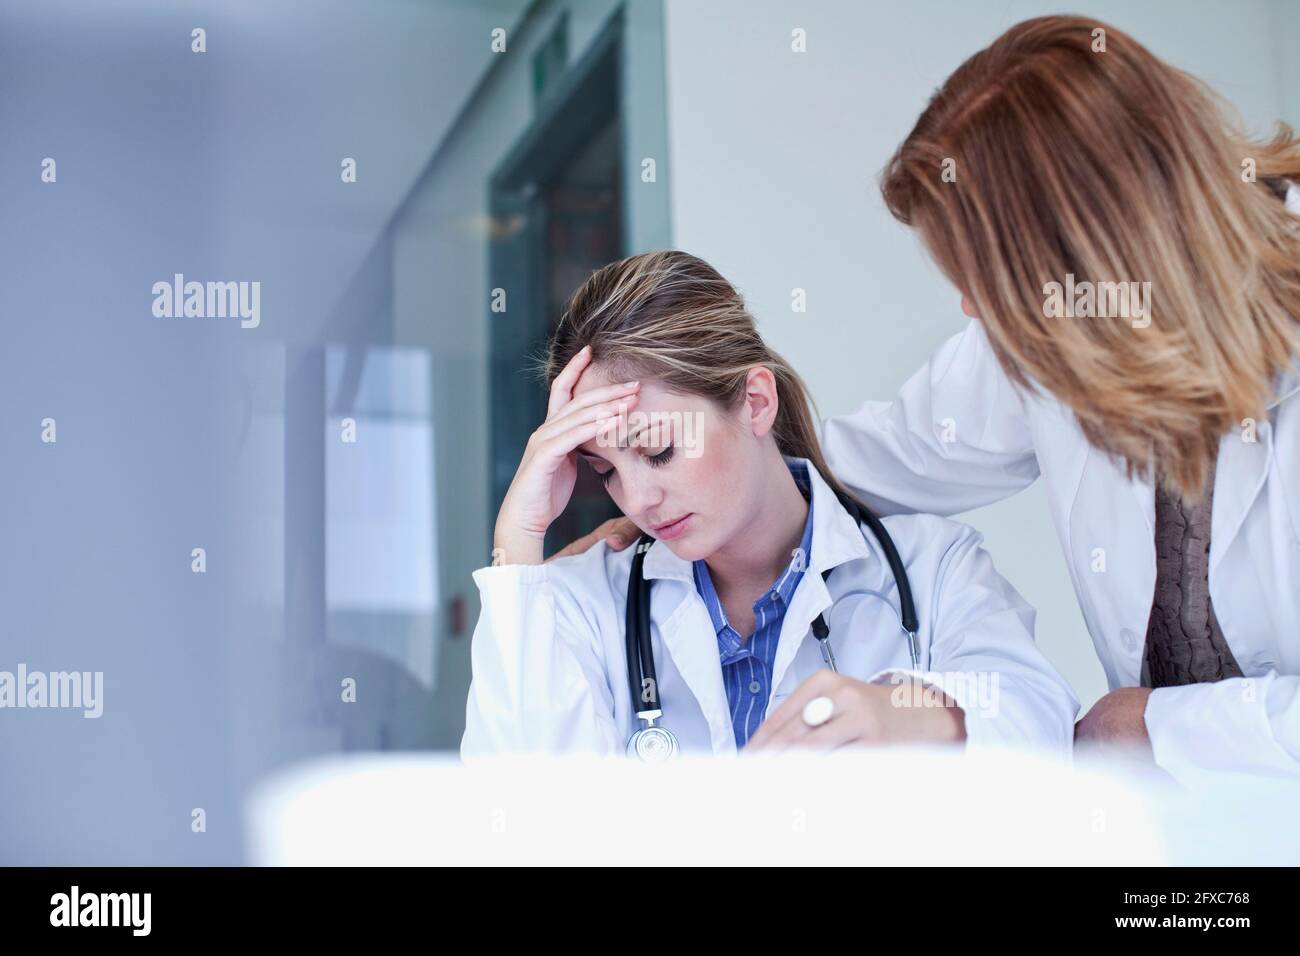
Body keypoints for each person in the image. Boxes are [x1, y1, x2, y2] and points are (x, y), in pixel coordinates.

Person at [562, 17, 1300, 785]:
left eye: (988, 274)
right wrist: (659, 489)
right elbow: (876, 457)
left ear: (1092, 248)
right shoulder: (1055, 335)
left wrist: (1160, 728)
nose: (971, 309)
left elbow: (1030, 709)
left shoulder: (959, 554)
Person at [461, 251, 1077, 759]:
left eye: (658, 450)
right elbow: (520, 814)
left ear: (756, 402)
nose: (638, 500)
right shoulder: (584, 604)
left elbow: (1041, 719)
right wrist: (520, 537)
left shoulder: (930, 567)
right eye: (605, 471)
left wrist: (899, 709)